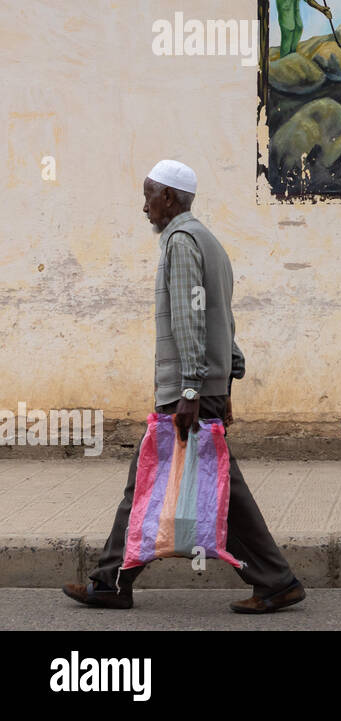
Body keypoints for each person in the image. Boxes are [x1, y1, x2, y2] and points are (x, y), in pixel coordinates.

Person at [62, 160, 306, 614]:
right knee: (157, 481)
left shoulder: (180, 241)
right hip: (202, 386)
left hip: (187, 391)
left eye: (149, 196)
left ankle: (274, 580)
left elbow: (191, 319)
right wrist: (225, 380)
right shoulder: (210, 242)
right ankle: (111, 580)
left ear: (169, 198)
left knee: (209, 486)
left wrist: (192, 390)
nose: (144, 207)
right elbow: (225, 320)